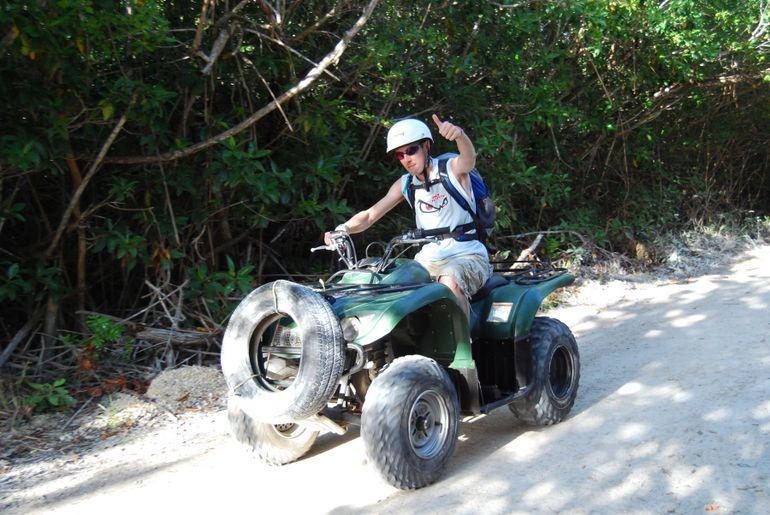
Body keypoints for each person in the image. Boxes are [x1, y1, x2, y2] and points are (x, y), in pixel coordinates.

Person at [324, 114, 493, 320]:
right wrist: (343, 229)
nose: (407, 159)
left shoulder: (451, 170)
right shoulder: (405, 184)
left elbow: (469, 159)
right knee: (387, 285)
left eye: (411, 150)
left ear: (426, 146)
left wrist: (459, 136)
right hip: (427, 259)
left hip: (467, 255)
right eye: (400, 155)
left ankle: (463, 349)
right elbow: (369, 215)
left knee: (448, 282)